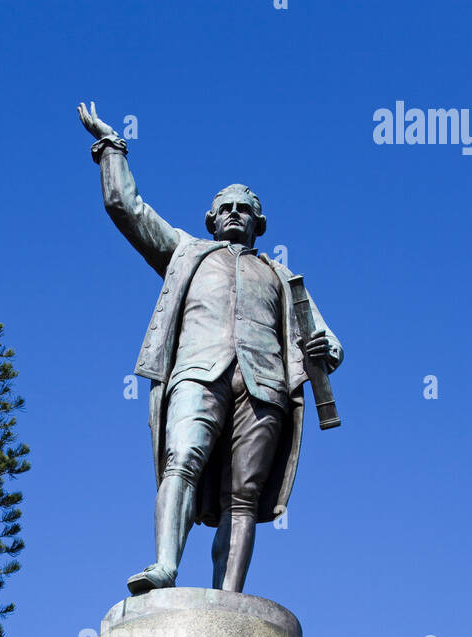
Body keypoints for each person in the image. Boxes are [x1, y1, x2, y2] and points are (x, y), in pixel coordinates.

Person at [78, 101, 343, 595]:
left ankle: (230, 596)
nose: (235, 215)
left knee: (242, 497)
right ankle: (164, 566)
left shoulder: (285, 279)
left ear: (259, 222)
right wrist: (112, 147)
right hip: (197, 373)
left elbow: (328, 343)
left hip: (265, 388)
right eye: (226, 209)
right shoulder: (185, 252)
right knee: (181, 458)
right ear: (210, 219)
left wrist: (328, 347)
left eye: (245, 209)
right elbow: (126, 208)